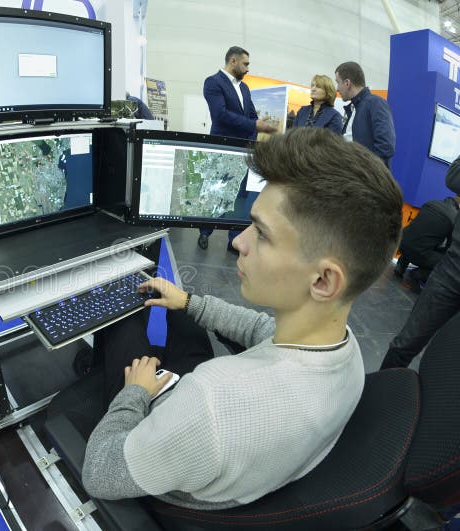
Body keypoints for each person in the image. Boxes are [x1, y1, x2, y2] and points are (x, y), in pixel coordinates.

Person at [81, 127, 403, 513]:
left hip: (171, 452)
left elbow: (100, 470)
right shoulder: (347, 355)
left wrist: (134, 394)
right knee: (171, 311)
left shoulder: (209, 402)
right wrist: (189, 303)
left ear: (323, 280)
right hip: (225, 440)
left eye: (262, 234)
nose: (238, 242)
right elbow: (261, 332)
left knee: (126, 316)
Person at [380, 158, 460, 370]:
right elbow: (453, 178)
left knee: (447, 364)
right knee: (405, 343)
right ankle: (379, 394)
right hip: (453, 270)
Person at [199, 46, 277, 252]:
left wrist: (257, 126)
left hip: (244, 150)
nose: (248, 68)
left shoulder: (244, 88)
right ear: (233, 61)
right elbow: (220, 115)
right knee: (216, 193)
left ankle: (234, 239)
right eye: (246, 63)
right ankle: (204, 232)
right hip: (222, 147)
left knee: (238, 197)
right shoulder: (213, 82)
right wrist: (254, 125)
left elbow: (251, 116)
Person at [394, 164, 460, 282]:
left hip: (402, 244)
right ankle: (418, 274)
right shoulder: (454, 218)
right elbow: (451, 247)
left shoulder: (431, 203)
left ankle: (402, 264)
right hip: (419, 255)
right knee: (448, 260)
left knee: (419, 239)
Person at [334, 61, 395, 167]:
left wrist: (362, 171)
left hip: (364, 180)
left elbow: (386, 146)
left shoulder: (375, 103)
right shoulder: (354, 108)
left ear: (347, 83)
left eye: (338, 82)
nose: (337, 88)